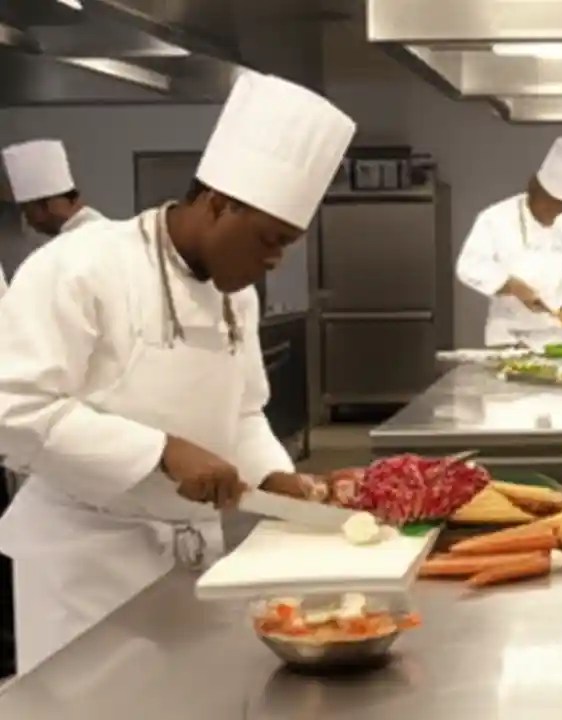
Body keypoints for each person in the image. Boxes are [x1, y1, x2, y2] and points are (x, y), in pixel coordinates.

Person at [0, 71, 355, 674]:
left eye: (287, 246)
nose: (274, 259)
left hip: (191, 555)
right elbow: (14, 409)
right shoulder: (79, 267)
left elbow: (242, 410)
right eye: (269, 240)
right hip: (84, 567)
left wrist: (273, 476)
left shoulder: (234, 296)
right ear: (217, 204)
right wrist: (161, 451)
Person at [457, 138, 562, 346]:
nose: (553, 215)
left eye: (559, 208)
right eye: (548, 207)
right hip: (506, 337)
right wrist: (511, 285)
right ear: (534, 192)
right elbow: (468, 266)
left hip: (554, 337)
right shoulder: (495, 218)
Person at [2, 139, 107, 238]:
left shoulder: (63, 249)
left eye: (26, 212)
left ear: (43, 206)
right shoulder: (120, 232)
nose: (29, 223)